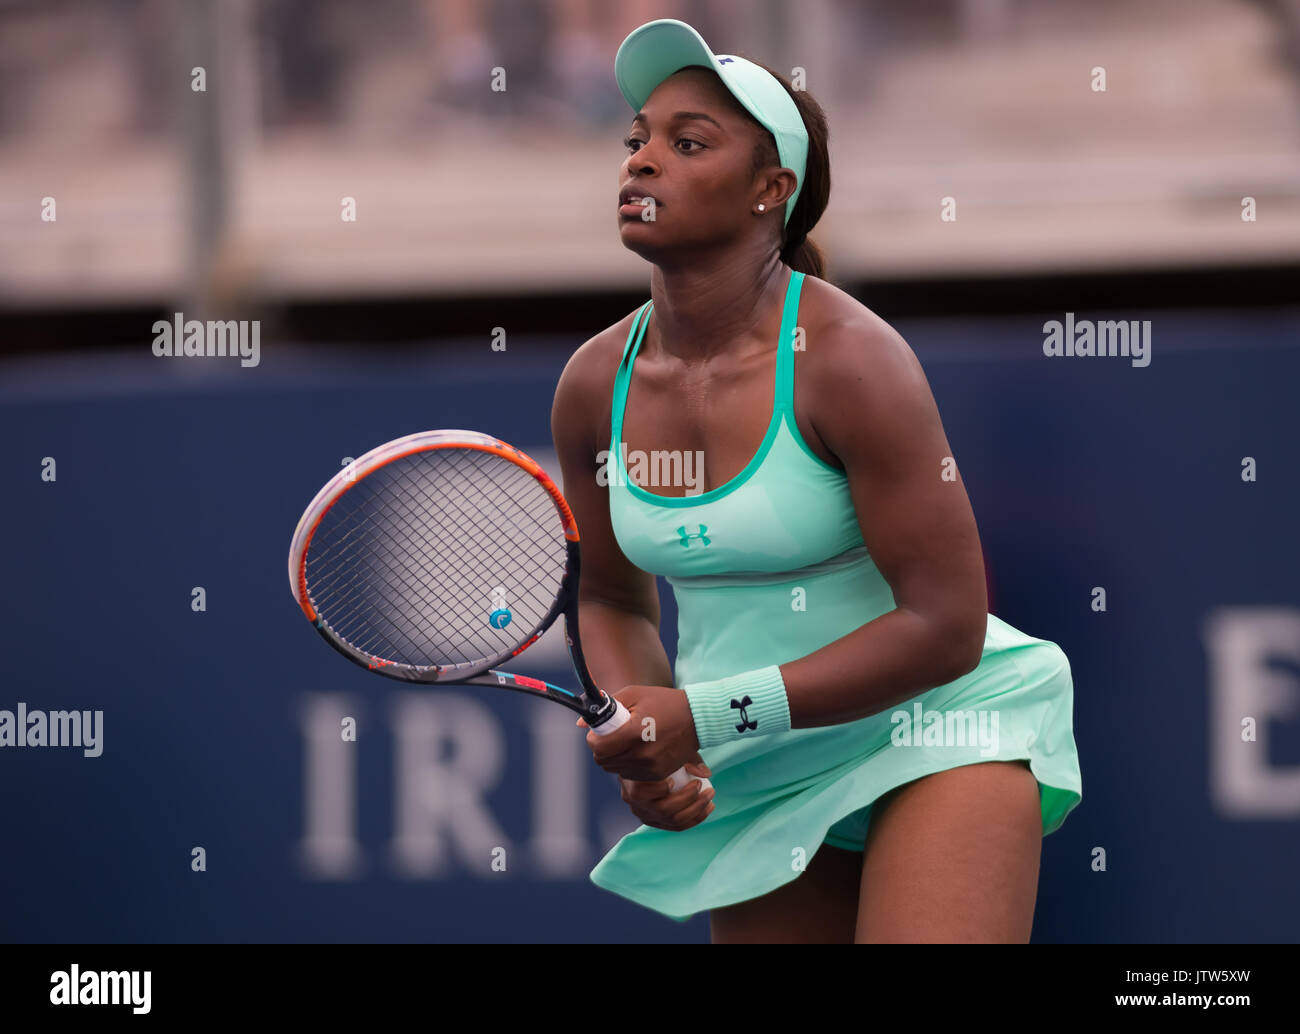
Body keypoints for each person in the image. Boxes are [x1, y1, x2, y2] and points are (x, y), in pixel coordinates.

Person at [550, 18, 1082, 943]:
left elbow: (946, 624)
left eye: (687, 144)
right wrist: (652, 748)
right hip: (762, 765)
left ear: (772, 190)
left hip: (940, 731)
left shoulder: (853, 363)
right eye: (637, 139)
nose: (640, 162)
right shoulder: (595, 384)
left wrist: (703, 714)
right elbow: (610, 596)